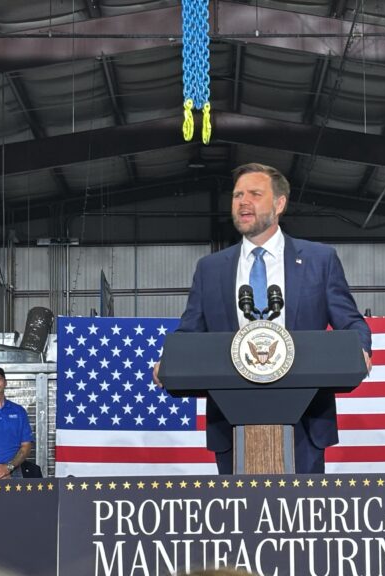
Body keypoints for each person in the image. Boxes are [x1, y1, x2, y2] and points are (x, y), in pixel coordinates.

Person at [153, 163, 372, 474]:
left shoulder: (319, 260)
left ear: (279, 204)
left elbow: (351, 322)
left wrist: (360, 350)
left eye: (255, 194)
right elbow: (190, 331)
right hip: (231, 420)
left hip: (305, 421)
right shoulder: (210, 268)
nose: (243, 202)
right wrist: (169, 362)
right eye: (237, 195)